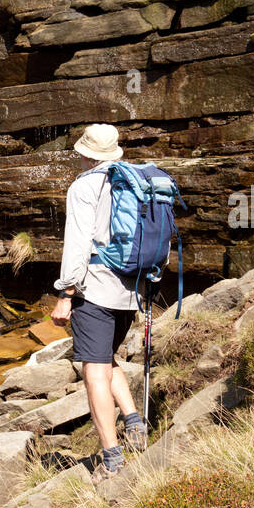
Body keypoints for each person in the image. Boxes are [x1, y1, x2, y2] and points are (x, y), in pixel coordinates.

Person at [50, 123, 162, 483]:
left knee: (93, 370)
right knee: (107, 359)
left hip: (95, 289)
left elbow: (78, 245)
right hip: (131, 290)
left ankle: (112, 457)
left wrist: (66, 293)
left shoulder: (84, 186)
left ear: (84, 152)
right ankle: (134, 423)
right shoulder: (134, 179)